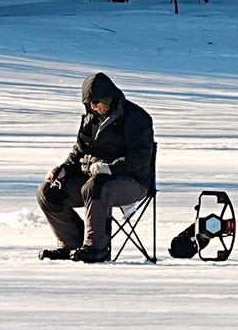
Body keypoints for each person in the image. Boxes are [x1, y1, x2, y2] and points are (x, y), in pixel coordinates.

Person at [38, 71, 156, 261]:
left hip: (133, 182)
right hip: (92, 178)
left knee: (96, 187)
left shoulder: (136, 118)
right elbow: (78, 152)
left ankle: (96, 248)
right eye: (89, 104)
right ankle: (71, 246)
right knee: (48, 192)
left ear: (109, 99)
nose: (93, 107)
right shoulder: (90, 119)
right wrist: (64, 169)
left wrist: (111, 168)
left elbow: (140, 157)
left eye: (96, 102)